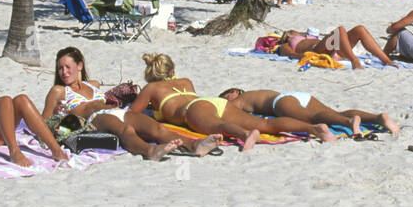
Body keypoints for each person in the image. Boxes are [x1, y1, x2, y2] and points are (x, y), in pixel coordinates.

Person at [42, 47, 220, 161]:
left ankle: (193, 146)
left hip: (117, 111)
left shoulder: (93, 84)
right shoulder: (59, 91)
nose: (64, 72)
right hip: (94, 119)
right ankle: (150, 151)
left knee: (156, 129)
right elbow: (44, 121)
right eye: (60, 68)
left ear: (79, 66)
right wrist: (60, 114)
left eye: (67, 67)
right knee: (126, 131)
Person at [126, 53, 336, 150]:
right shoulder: (186, 81)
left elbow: (132, 113)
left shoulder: (151, 88)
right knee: (266, 124)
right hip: (212, 102)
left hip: (192, 109)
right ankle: (315, 128)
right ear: (172, 71)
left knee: (217, 125)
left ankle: (245, 135)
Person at [219, 88, 401, 135]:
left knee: (312, 118)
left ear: (234, 92)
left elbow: (227, 112)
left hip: (280, 102)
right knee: (336, 112)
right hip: (300, 96)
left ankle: (348, 122)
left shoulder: (240, 99)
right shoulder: (254, 93)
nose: (225, 100)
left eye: (225, 96)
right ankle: (378, 118)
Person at [277, 26, 397, 69]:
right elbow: (286, 53)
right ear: (288, 35)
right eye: (293, 31)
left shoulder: (306, 37)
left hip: (332, 50)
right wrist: (305, 56)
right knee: (340, 30)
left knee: (359, 29)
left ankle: (386, 60)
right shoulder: (288, 42)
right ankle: (354, 60)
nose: (297, 32)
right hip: (317, 51)